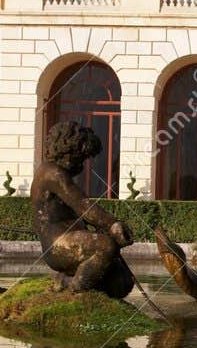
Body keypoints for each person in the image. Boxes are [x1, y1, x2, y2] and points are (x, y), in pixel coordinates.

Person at [31, 121, 136, 297]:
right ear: (69, 152)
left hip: (70, 239)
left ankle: (72, 281)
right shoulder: (53, 173)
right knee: (105, 246)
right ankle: (75, 287)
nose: (82, 165)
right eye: (81, 158)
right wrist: (112, 224)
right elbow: (83, 206)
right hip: (58, 245)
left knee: (121, 279)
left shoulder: (53, 171)